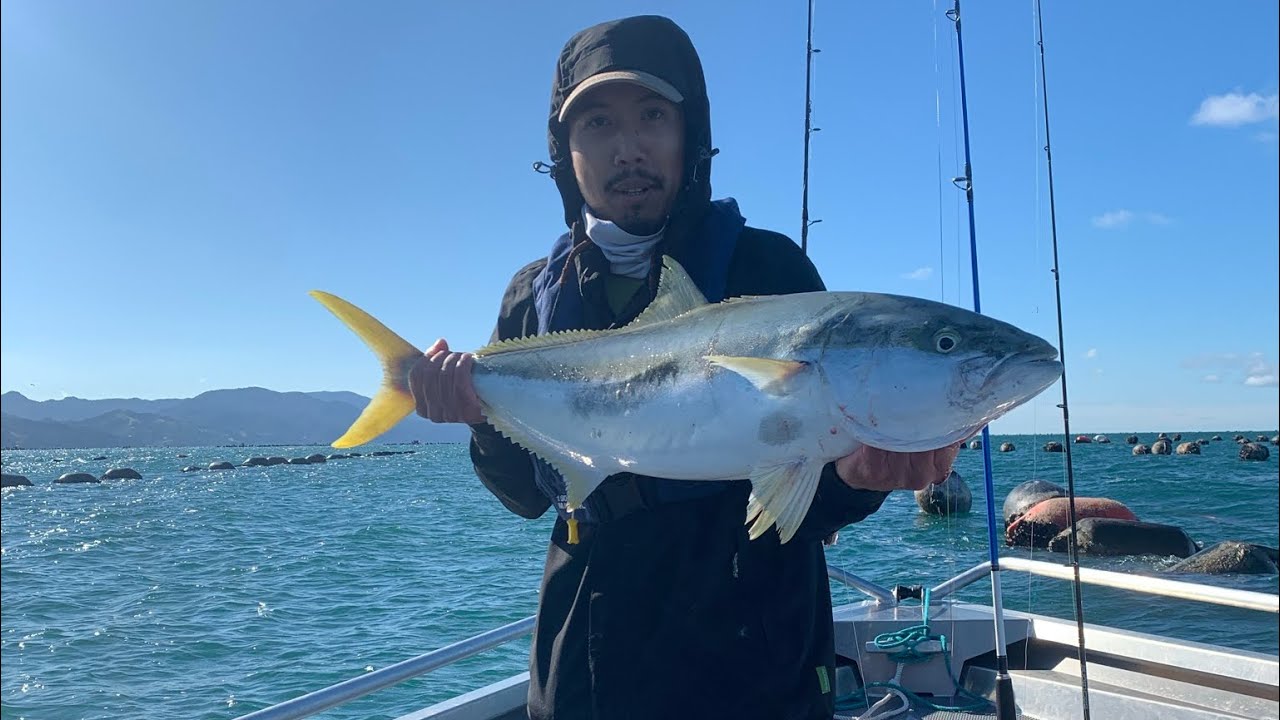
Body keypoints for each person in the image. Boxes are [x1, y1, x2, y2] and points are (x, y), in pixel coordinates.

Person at [409, 15, 959, 720]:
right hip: (588, 647)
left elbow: (807, 491)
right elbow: (523, 494)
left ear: (689, 134)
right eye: (599, 123)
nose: (628, 147)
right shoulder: (530, 298)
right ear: (565, 151)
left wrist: (859, 482)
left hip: (750, 652)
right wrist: (475, 417)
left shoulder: (769, 267)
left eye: (653, 116)